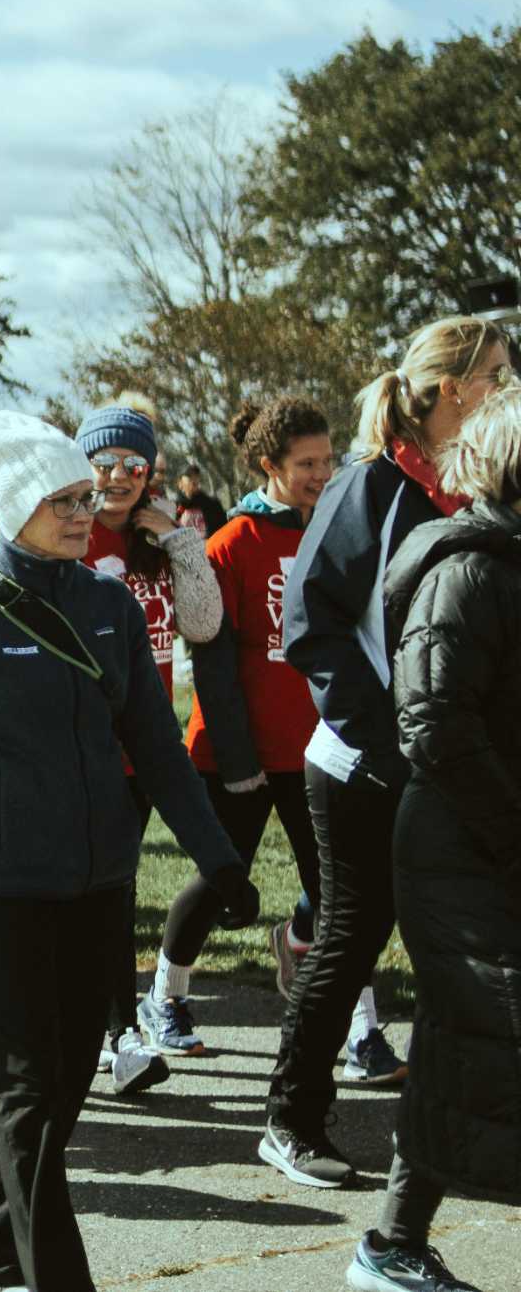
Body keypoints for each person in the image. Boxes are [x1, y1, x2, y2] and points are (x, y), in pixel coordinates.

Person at [0, 411, 255, 1292]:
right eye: (63, 500)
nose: (87, 512)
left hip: (98, 887)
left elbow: (156, 750)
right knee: (24, 1098)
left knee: (60, 1089)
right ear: (10, 507)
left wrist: (218, 858)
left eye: (89, 496)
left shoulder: (111, 603)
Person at [261, 313, 512, 1190]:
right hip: (360, 762)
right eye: (500, 376)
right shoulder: (369, 486)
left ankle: (443, 1140)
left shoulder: (469, 485)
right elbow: (309, 623)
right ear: (455, 391)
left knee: (454, 944)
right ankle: (290, 1119)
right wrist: (382, 729)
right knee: (352, 940)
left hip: (438, 760)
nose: (509, 391)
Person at [354, 389, 521, 1292]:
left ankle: (390, 1244)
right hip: (460, 846)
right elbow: (434, 721)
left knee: (460, 1039)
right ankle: (390, 1247)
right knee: (489, 1029)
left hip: (493, 837)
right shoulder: (469, 568)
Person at [160, 399, 336, 1054]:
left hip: (313, 748)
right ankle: (167, 997)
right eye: (306, 463)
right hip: (235, 753)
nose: (321, 473)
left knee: (338, 891)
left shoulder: (334, 531)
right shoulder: (232, 542)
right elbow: (211, 660)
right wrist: (237, 761)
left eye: (327, 459)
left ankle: (324, 984)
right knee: (218, 880)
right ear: (269, 465)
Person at [72, 407, 224, 1087]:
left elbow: (204, 624)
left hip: (145, 743)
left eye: (135, 465)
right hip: (84, 744)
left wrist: (180, 542)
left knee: (117, 889)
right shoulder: (68, 536)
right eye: (104, 463)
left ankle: (114, 1031)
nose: (119, 478)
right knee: (86, 890)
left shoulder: (159, 540)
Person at [174, 464, 228, 537]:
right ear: (180, 483)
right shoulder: (174, 509)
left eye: (196, 476)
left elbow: (224, 532)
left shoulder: (213, 505)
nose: (194, 480)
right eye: (189, 476)